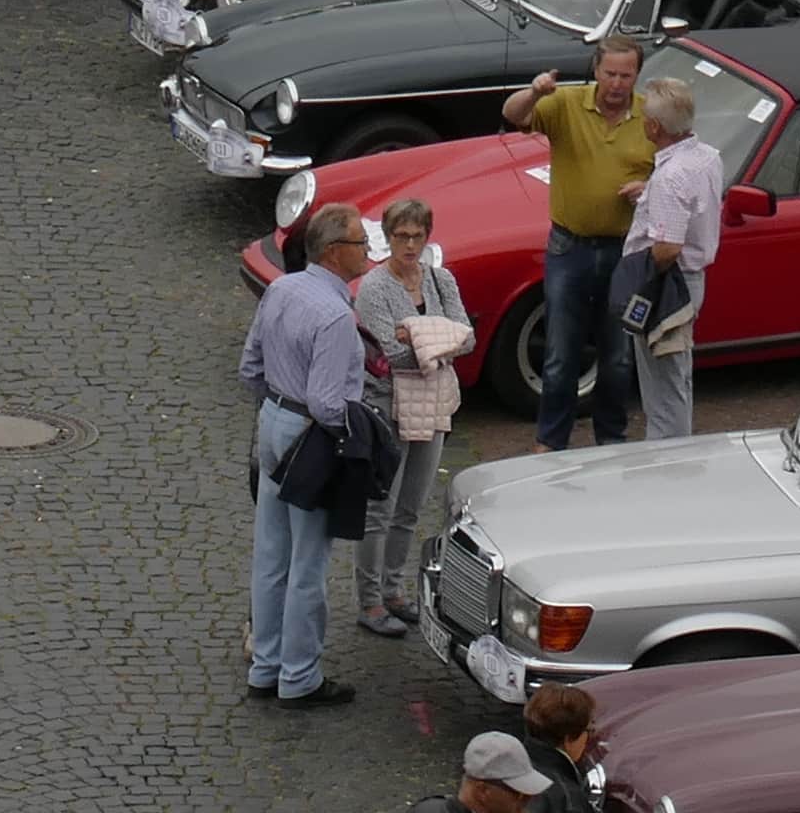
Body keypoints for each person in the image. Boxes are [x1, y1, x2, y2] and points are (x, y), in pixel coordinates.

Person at [240, 202, 373, 707]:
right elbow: (326, 402)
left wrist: (273, 409)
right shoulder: (336, 315)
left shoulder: (281, 288)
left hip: (273, 418)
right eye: (362, 243)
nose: (368, 252)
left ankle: (265, 666)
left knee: (271, 555)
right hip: (310, 435)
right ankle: (299, 676)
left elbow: (250, 367)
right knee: (309, 563)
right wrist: (358, 433)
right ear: (336, 253)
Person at [499, 40, 654, 450]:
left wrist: (650, 188)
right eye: (610, 74)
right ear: (596, 71)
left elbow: (676, 168)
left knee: (619, 357)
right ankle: (551, 439)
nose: (617, 84)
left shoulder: (650, 117)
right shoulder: (566, 103)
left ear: (637, 76)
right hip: (570, 248)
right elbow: (513, 115)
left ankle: (611, 439)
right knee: (560, 354)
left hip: (625, 251)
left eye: (626, 75)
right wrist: (534, 91)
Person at [349, 194, 476, 639]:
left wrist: (421, 335)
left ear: (427, 236)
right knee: (378, 509)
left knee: (411, 507)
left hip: (433, 402)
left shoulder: (441, 281)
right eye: (400, 236)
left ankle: (395, 589)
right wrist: (436, 339)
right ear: (387, 238)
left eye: (416, 236)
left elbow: (468, 338)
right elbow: (392, 352)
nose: (408, 245)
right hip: (388, 405)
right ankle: (369, 600)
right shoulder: (375, 288)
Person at [611, 73, 727, 439]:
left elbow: (667, 248)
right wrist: (649, 194)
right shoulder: (706, 157)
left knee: (664, 387)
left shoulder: (669, 178)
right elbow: (691, 201)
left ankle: (665, 459)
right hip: (691, 281)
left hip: (668, 287)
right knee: (677, 376)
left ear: (655, 126)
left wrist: (635, 278)